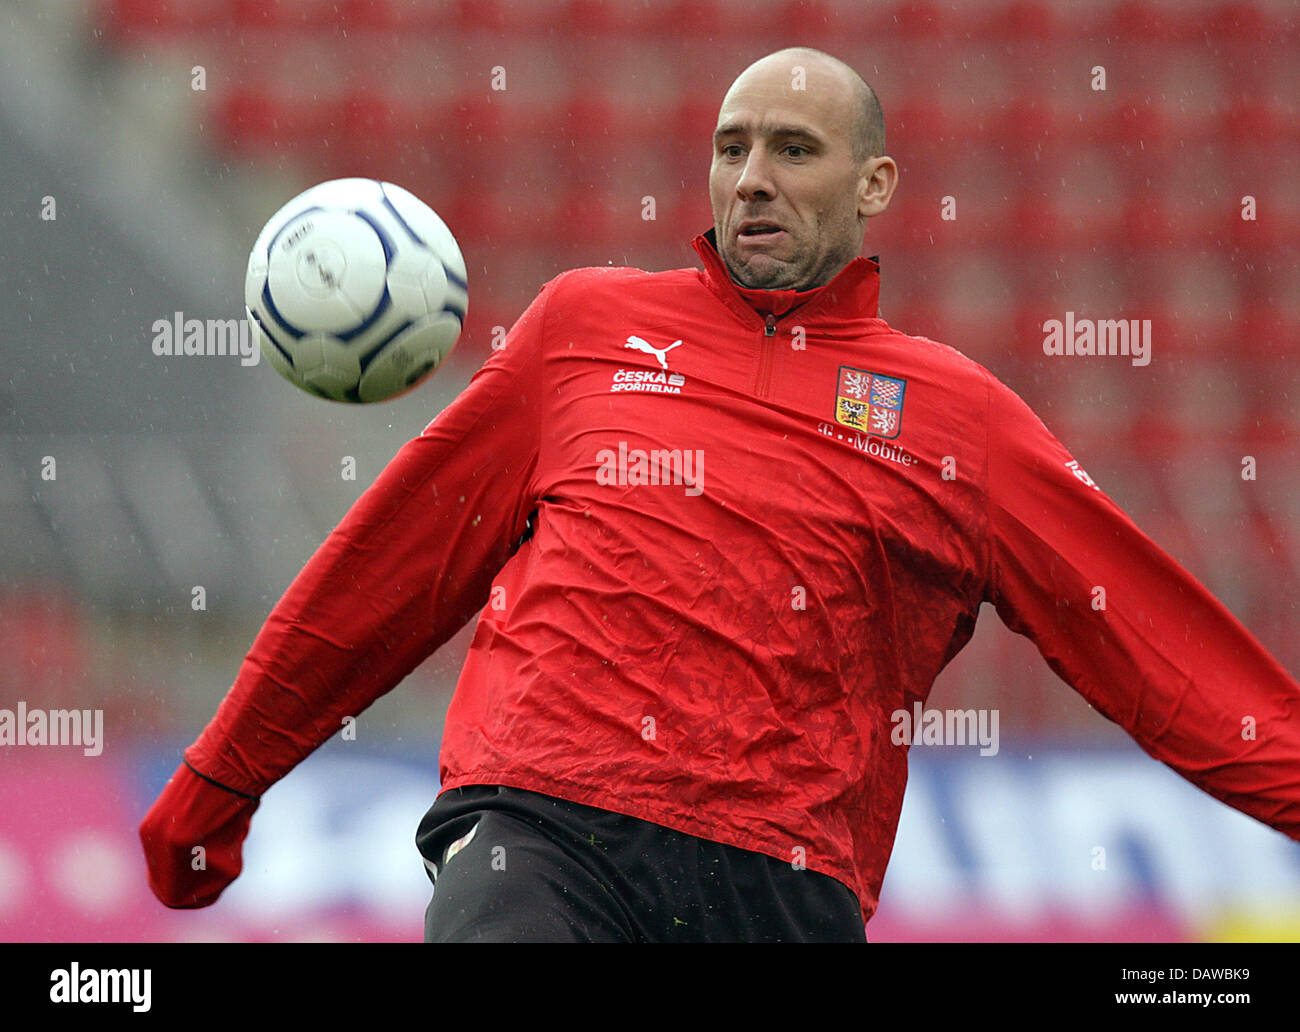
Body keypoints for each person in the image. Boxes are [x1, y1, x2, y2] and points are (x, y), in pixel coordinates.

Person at [140, 47, 1300, 942]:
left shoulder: (960, 422)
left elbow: (1154, 646)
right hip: (540, 820)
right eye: (730, 147)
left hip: (778, 874)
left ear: (875, 181)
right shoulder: (581, 329)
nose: (751, 178)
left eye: (793, 150)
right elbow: (394, 563)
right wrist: (221, 775)